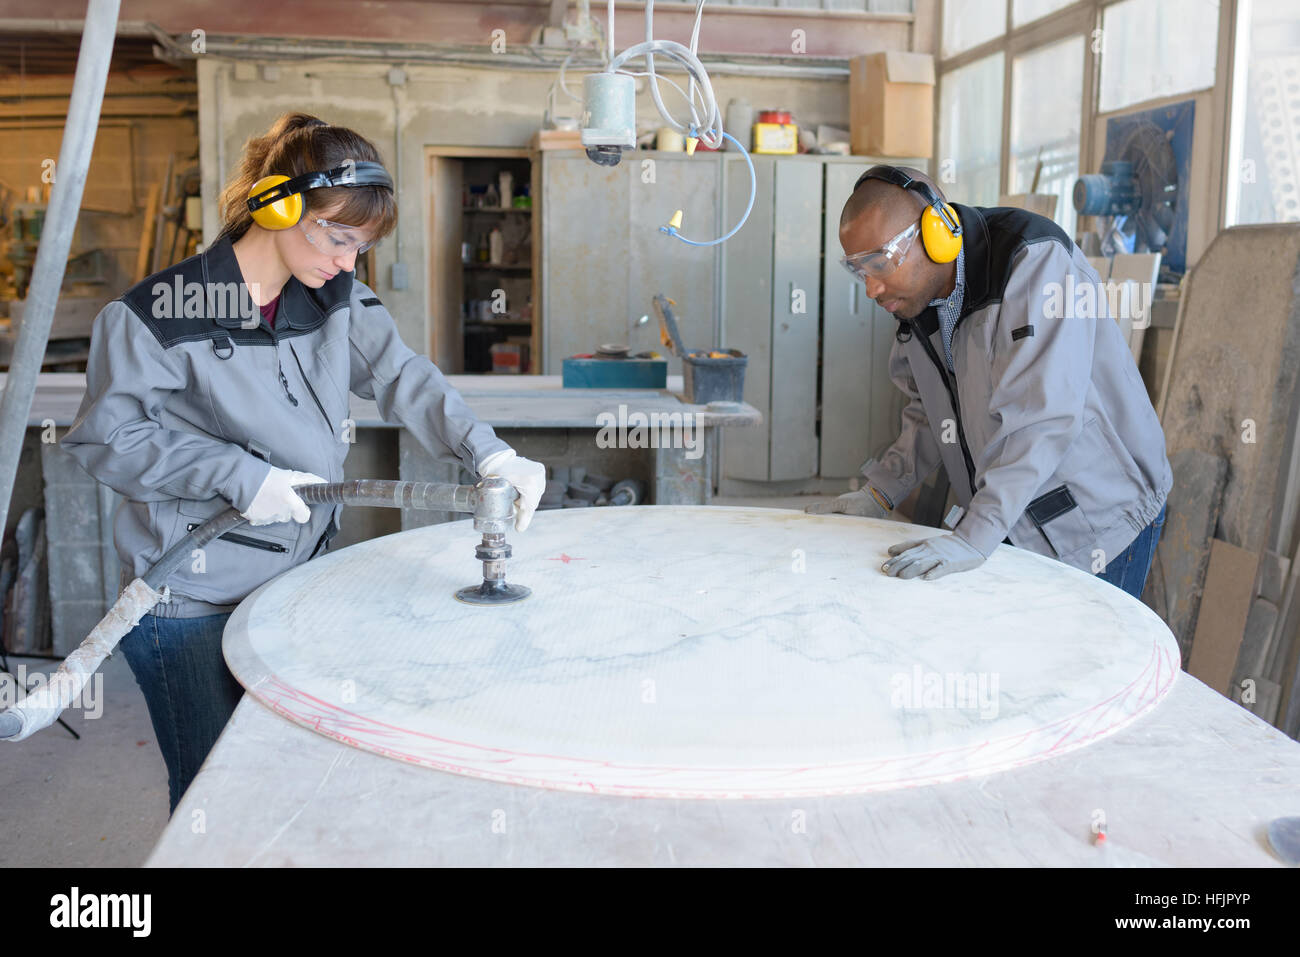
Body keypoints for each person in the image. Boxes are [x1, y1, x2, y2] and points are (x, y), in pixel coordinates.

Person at [61, 112, 545, 813]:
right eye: (339, 237)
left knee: (289, 777)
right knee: (213, 800)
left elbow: (403, 375)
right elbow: (108, 438)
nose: (349, 261)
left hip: (297, 581)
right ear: (277, 205)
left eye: (362, 246)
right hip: (191, 598)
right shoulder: (159, 313)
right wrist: (239, 476)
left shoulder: (333, 296)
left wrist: (488, 451)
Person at [807, 165, 1170, 598]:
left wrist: (973, 536)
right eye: (858, 270)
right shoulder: (918, 301)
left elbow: (1043, 418)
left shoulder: (1034, 262)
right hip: (1013, 516)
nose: (871, 289)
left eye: (879, 263)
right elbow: (929, 411)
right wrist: (881, 493)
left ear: (936, 232)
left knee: (1087, 661)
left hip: (1099, 522)